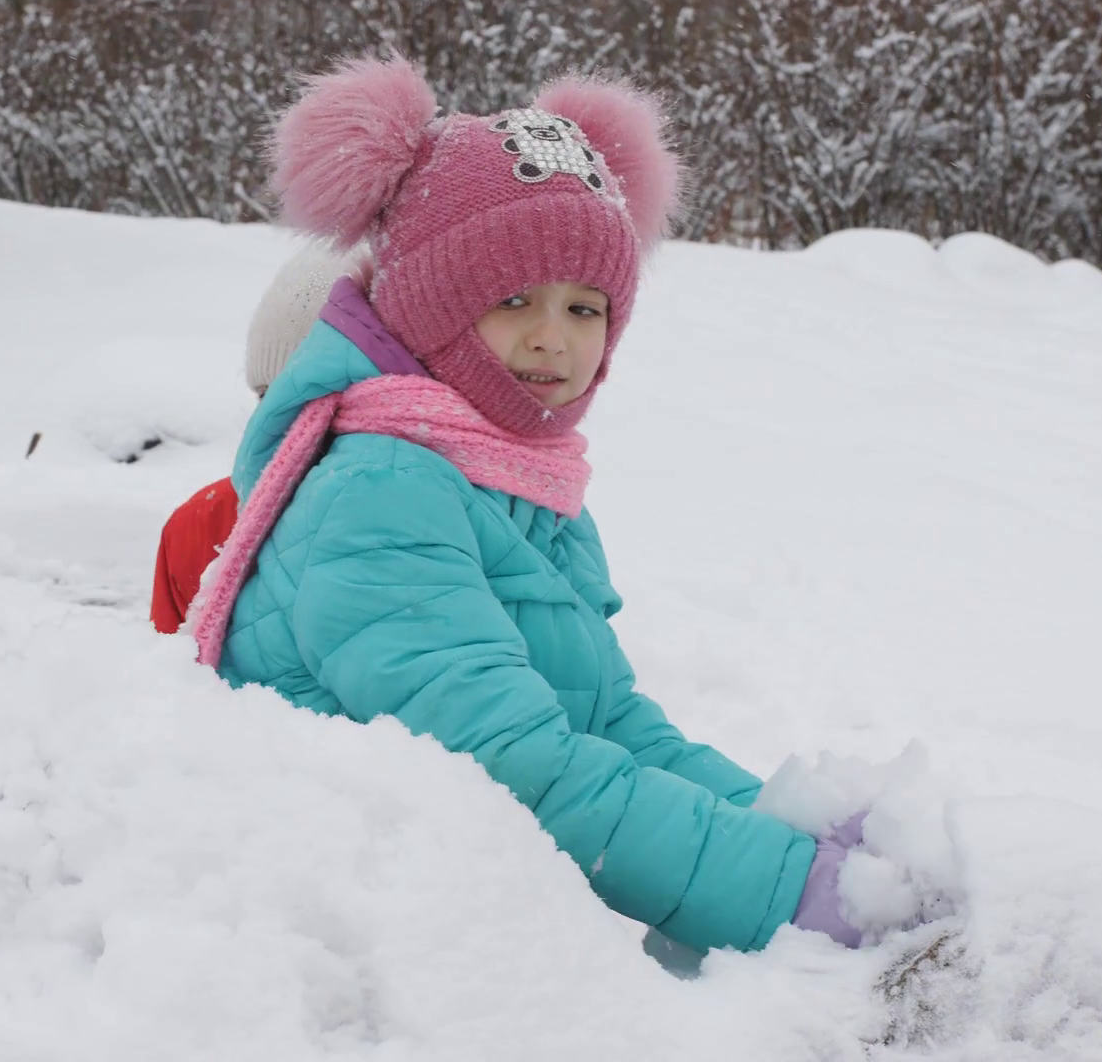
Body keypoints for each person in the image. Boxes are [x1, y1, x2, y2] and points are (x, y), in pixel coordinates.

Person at [187, 57, 866, 958]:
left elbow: (608, 720)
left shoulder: (510, 473)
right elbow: (512, 764)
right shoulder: (381, 489)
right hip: (346, 936)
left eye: (587, 308)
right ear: (428, 302)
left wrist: (801, 837)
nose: (556, 338)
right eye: (513, 300)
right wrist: (792, 899)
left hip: (458, 898)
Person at [150, 240, 365, 634]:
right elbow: (165, 687)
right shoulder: (199, 526)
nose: (290, 428)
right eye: (270, 400)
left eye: (324, 402)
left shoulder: (474, 518)